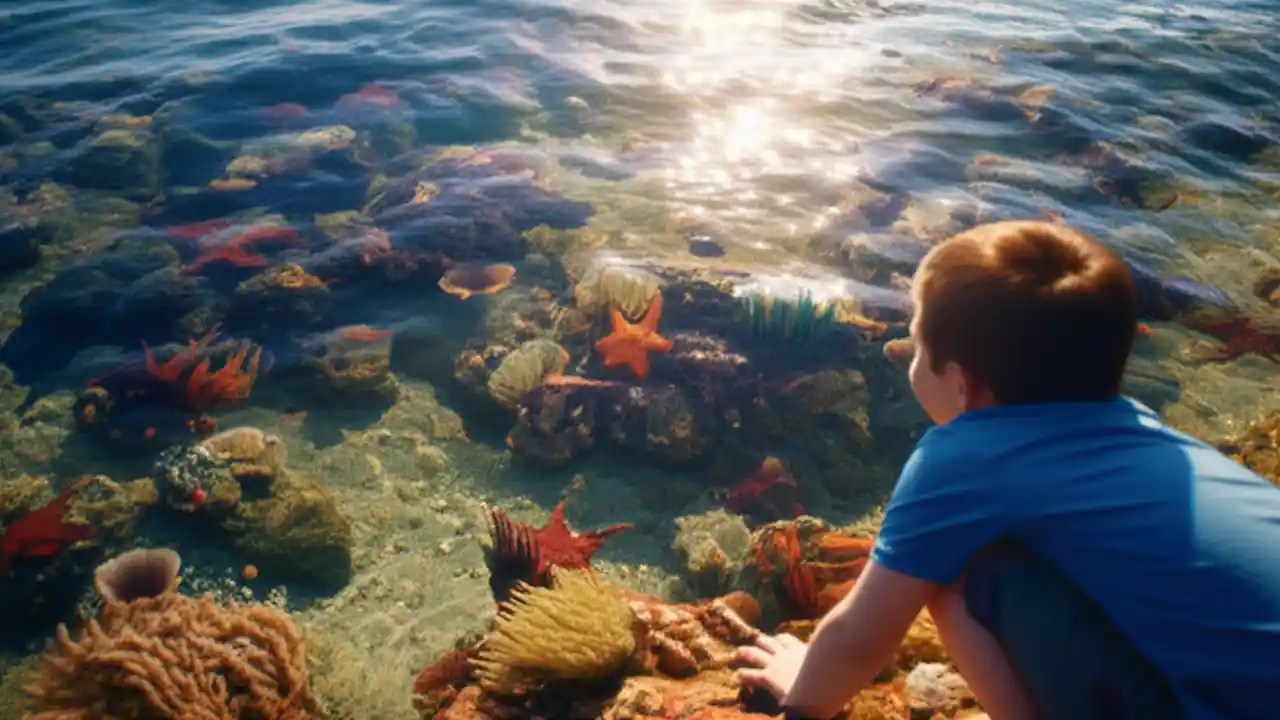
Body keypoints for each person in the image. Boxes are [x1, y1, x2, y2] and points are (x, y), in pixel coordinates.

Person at [734, 221, 1280, 720]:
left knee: (958, 563)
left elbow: (861, 632)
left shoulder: (963, 455)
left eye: (918, 347)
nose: (907, 356)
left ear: (964, 385)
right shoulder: (1143, 429)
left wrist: (801, 696)